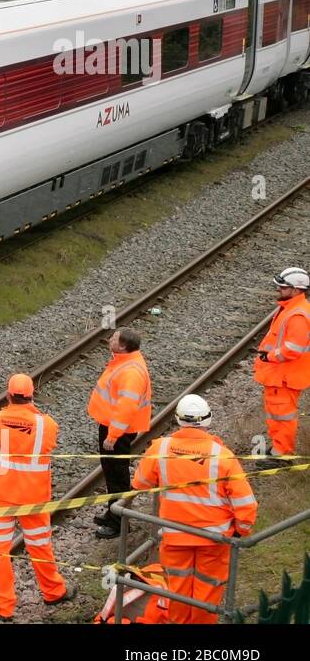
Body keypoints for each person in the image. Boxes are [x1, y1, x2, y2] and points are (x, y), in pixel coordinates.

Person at [131, 395, 258, 623]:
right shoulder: (223, 456)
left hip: (175, 535)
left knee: (177, 589)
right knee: (207, 591)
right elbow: (246, 504)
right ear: (208, 420)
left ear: (179, 420)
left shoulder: (160, 448)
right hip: (214, 540)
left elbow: (140, 483)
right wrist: (242, 530)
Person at [0, 373, 74, 621]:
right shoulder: (47, 425)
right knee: (39, 545)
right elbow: (46, 446)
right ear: (32, 395)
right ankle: (53, 591)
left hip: (0, 496)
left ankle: (4, 606)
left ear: (8, 394)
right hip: (33, 498)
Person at [87, 327, 152, 538]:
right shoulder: (124, 361)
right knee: (111, 472)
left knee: (117, 475)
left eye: (114, 338)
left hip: (118, 431)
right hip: (114, 426)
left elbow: (126, 407)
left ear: (123, 346)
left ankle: (118, 522)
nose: (109, 339)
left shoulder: (131, 372)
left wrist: (112, 435)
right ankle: (113, 512)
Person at [254, 266, 310, 464]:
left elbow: (293, 349)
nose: (279, 289)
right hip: (281, 375)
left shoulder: (297, 315)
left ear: (296, 290)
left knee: (283, 416)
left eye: (283, 287)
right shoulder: (292, 308)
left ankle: (282, 455)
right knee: (276, 414)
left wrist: (269, 357)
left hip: (284, 376)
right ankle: (279, 447)